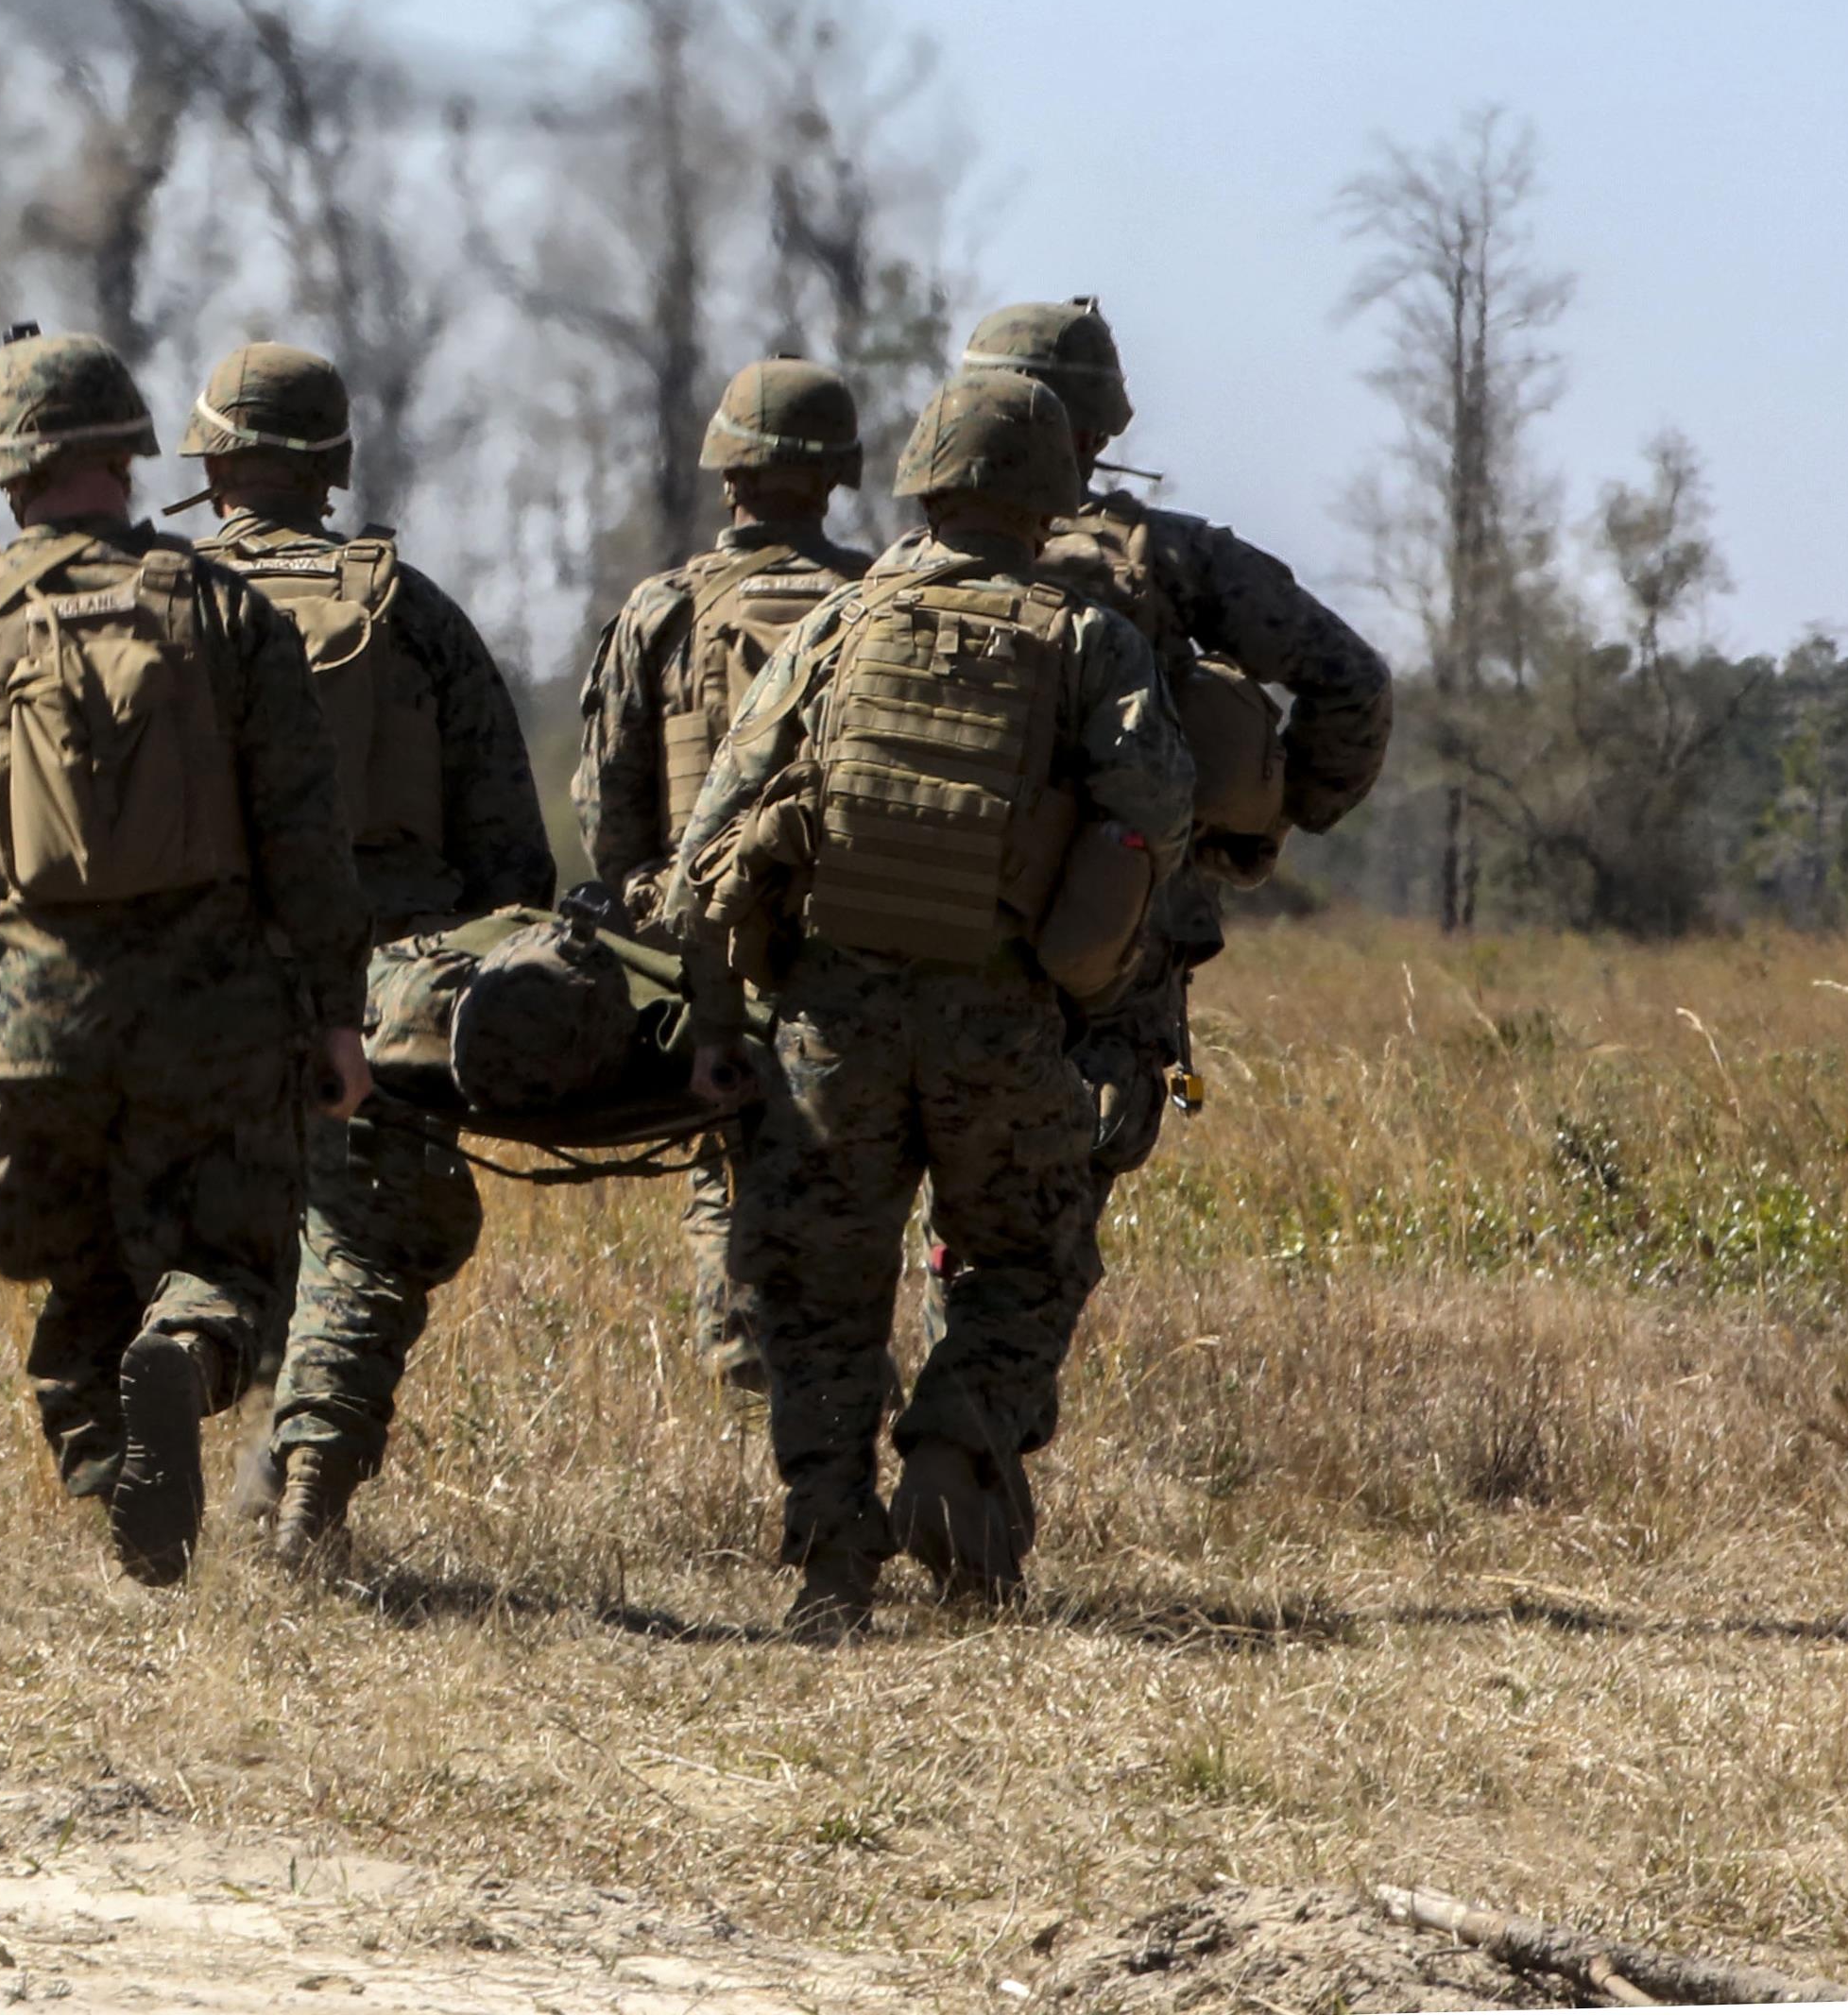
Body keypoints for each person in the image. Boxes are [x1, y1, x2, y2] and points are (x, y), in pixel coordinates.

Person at [0, 330, 366, 1586]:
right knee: (232, 1266)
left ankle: (118, 1482)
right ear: (129, 456)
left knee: (74, 1279)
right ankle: (187, 1356)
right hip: (220, 1020)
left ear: (5, 471)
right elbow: (307, 839)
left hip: (38, 1021)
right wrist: (337, 1017)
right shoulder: (226, 613)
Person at [670, 366, 1189, 1635]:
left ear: (928, 479)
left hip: (827, 1029)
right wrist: (1093, 964)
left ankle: (833, 1557)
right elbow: (1159, 812)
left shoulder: (842, 624)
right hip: (1003, 1022)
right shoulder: (1086, 639)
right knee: (1024, 1258)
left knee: (818, 1294)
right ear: (1049, 494)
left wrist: (719, 1023)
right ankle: (956, 1454)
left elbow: (712, 837)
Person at [173, 342, 546, 1573]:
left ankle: (183, 1361)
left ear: (211, 458)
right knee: (370, 1237)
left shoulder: (139, 599)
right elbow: (509, 857)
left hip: (185, 973)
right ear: (331, 462)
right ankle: (307, 1503)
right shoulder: (407, 610)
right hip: (386, 979)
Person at [962, 299, 1395, 1179]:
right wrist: (1256, 830)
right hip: (1121, 916)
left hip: (945, 909)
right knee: (1051, 1194)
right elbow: (1351, 682)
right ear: (1101, 428)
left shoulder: (910, 567)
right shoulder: (1170, 556)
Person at [571, 355, 876, 1394]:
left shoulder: (662, 609)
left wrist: (656, 917)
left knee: (722, 1155)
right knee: (850, 1186)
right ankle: (831, 1388)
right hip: (855, 948)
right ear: (837, 473)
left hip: (705, 944)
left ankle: (747, 1354)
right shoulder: (878, 599)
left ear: (725, 472)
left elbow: (607, 813)